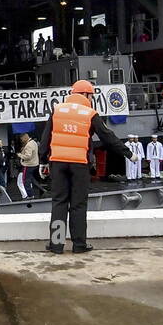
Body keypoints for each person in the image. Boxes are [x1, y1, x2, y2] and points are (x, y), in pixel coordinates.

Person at [39, 80, 136, 253]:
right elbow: (107, 136)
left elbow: (46, 137)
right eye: (91, 95)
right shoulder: (90, 113)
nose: (92, 98)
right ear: (86, 95)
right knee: (78, 204)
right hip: (79, 165)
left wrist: (42, 160)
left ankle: (56, 245)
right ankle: (79, 245)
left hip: (58, 163)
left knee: (59, 203)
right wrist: (128, 153)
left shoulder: (57, 110)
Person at [17, 132, 40, 198]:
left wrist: (20, 155)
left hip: (28, 165)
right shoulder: (34, 142)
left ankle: (30, 195)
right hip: (34, 163)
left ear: (25, 137)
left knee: (25, 181)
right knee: (30, 180)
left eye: (21, 139)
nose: (21, 140)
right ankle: (31, 194)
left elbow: (28, 156)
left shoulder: (29, 145)